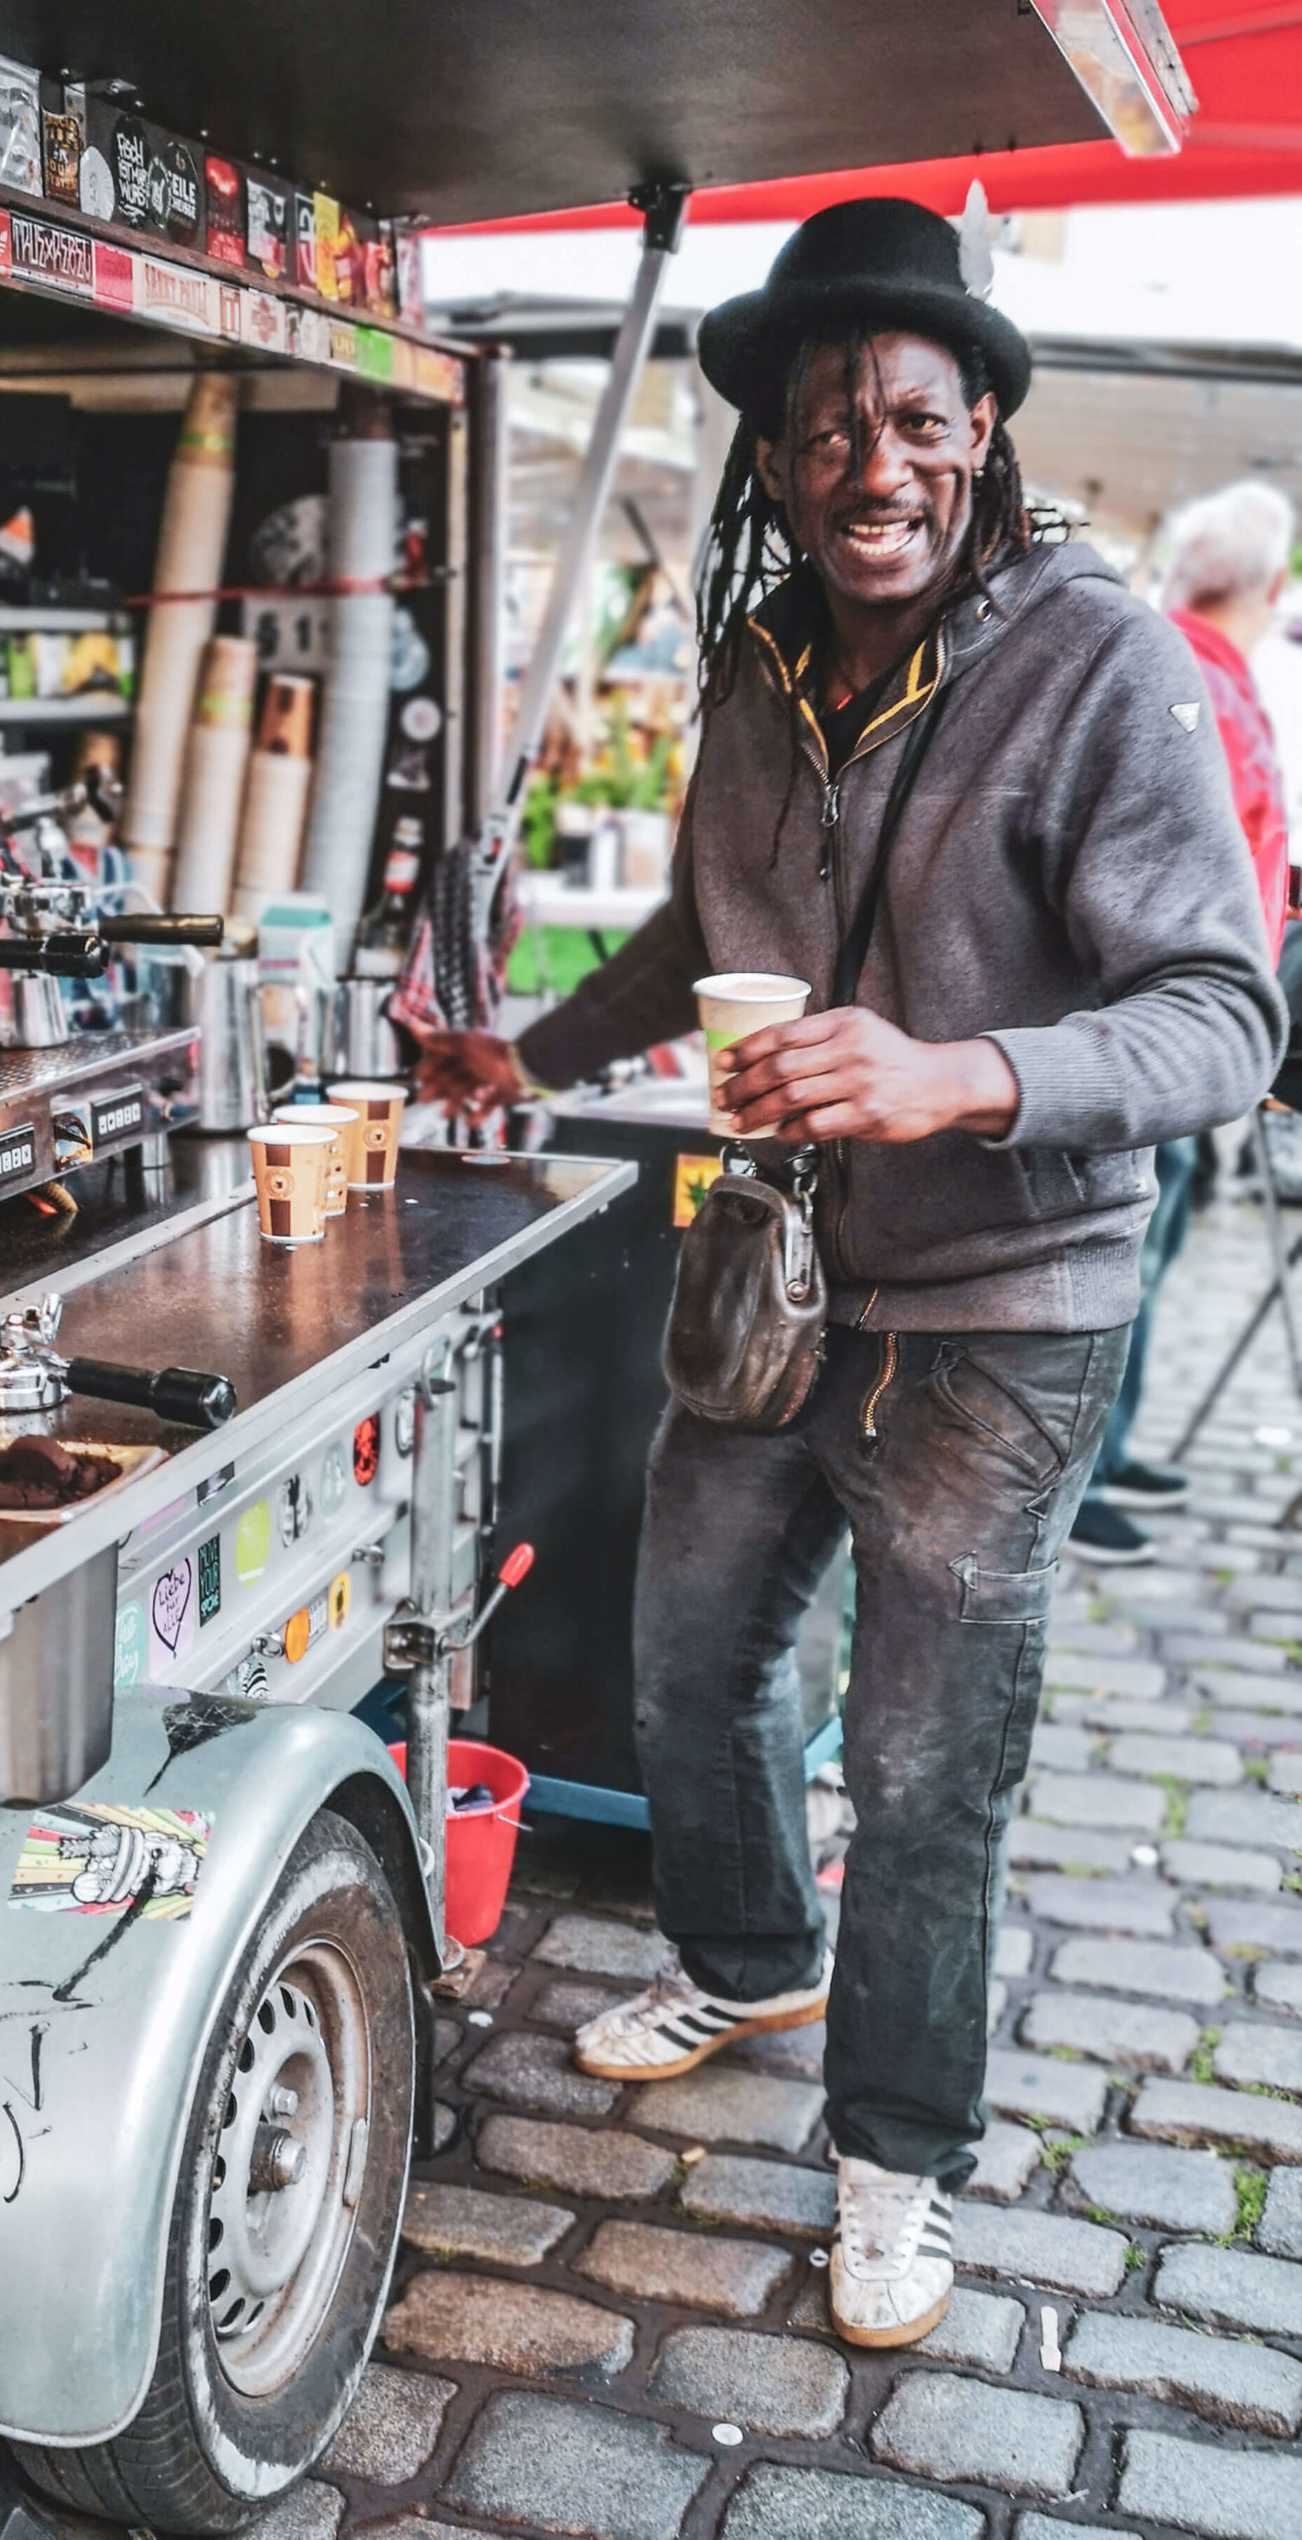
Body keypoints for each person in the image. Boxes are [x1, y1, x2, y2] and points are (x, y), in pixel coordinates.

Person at [420, 198, 1285, 2349]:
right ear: (778, 457)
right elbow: (685, 935)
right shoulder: (762, 650)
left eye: (913, 419)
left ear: (980, 430)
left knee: (925, 1763)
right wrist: (517, 1052)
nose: (869, 466)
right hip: (780, 1273)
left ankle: (897, 2155)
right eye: (827, 429)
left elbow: (1221, 1014)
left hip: (1010, 1313)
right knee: (693, 1655)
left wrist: (955, 1074)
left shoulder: (1107, 663)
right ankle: (741, 1951)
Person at [1070, 478, 1294, 1565]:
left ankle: (1108, 1454)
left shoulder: (1211, 667)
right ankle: (1080, 1473)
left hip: (1196, 1028)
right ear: (1273, 583)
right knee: (1128, 1251)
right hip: (1159, 1025)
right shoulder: (1186, 671)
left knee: (1153, 1248)